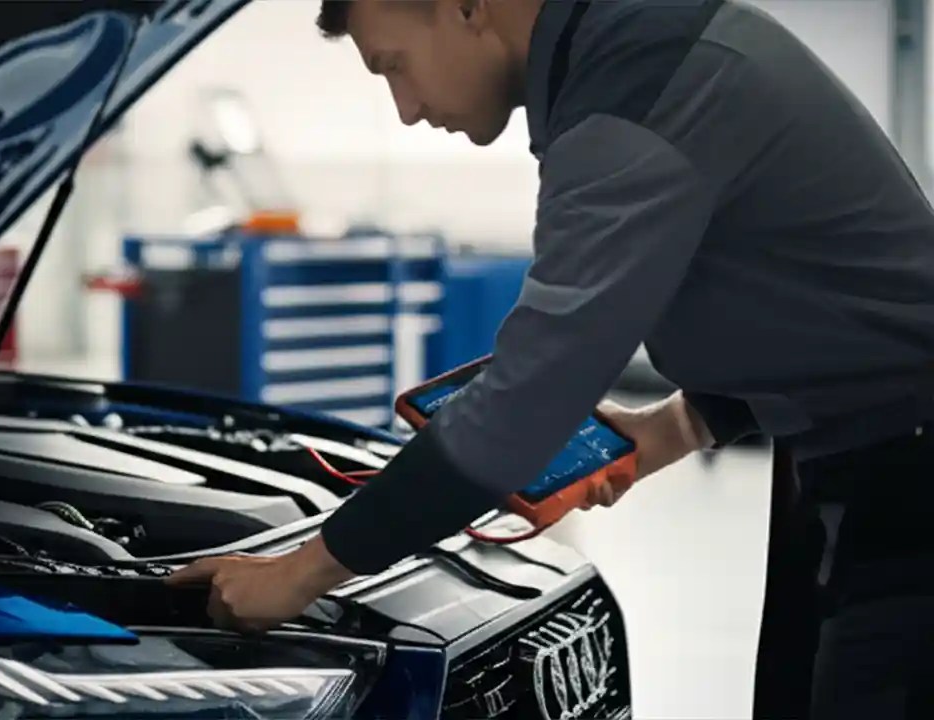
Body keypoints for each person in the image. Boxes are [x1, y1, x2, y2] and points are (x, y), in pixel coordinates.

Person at [165, 0, 934, 717]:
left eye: (393, 65)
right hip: (870, 464)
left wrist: (300, 574)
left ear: (466, 7)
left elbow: (523, 405)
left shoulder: (635, 93)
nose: (405, 107)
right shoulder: (637, 46)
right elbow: (816, 299)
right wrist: (676, 427)